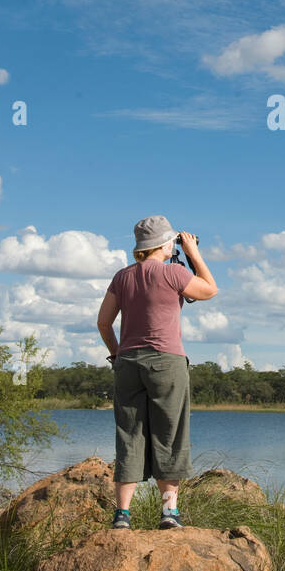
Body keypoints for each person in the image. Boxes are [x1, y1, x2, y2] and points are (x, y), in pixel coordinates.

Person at [96, 215, 217, 530]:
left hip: (128, 363)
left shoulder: (122, 277)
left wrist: (117, 354)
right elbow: (209, 289)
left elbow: (103, 323)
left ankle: (122, 515)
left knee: (129, 435)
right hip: (166, 361)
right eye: (172, 241)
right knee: (169, 435)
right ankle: (168, 512)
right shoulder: (174, 273)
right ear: (165, 243)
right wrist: (193, 253)